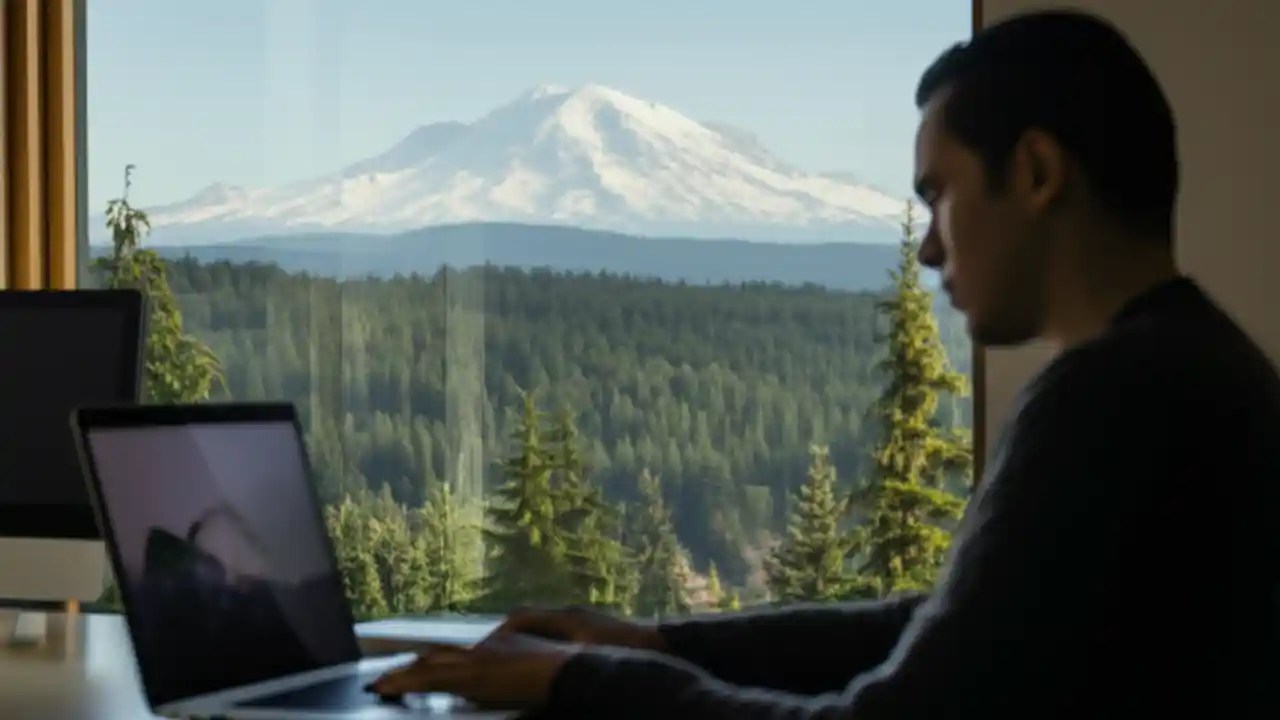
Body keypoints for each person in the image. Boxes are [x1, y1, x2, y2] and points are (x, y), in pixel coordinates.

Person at [370, 9, 1280, 717]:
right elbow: (937, 631)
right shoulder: (1197, 369)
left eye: (939, 195)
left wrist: (579, 684)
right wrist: (656, 641)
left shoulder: (1111, 400)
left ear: (1038, 174)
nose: (928, 249)